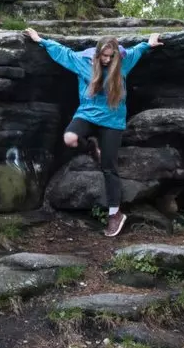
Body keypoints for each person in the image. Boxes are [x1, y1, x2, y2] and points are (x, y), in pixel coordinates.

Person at [24, 27, 164, 237]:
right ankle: (90, 145)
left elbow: (137, 50)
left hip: (113, 120)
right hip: (87, 115)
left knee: (109, 167)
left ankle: (115, 215)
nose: (107, 60)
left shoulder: (122, 65)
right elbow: (62, 52)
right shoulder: (83, 63)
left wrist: (149, 42)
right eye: (104, 56)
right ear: (97, 53)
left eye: (111, 56)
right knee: (69, 138)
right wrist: (40, 39)